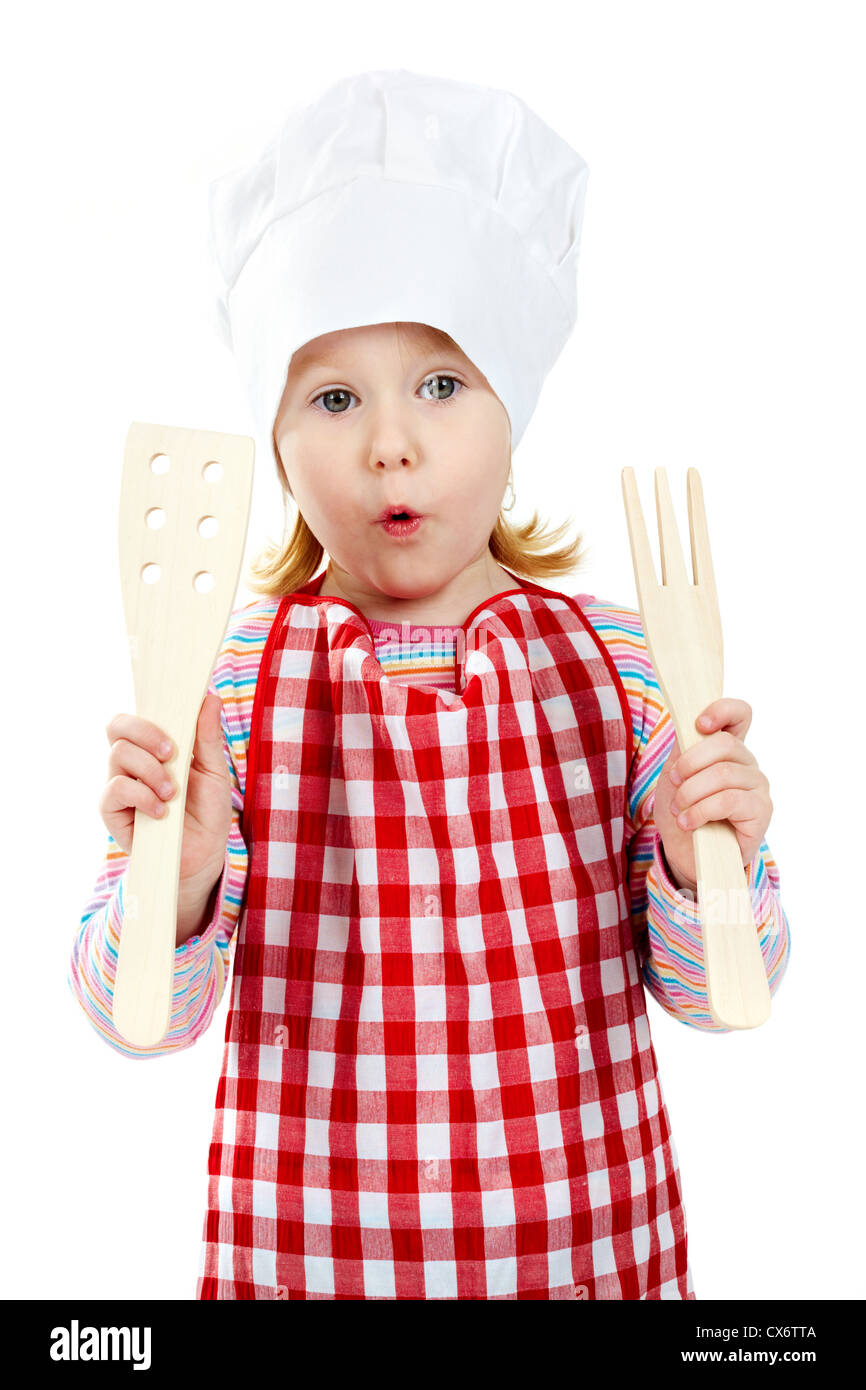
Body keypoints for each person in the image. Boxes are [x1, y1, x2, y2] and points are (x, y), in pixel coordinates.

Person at [68, 70, 791, 1300]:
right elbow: (137, 1018)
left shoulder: (625, 668)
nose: (389, 444)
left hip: (584, 1258)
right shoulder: (220, 687)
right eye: (333, 397)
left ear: (515, 408)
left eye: (441, 385)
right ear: (275, 441)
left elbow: (725, 993)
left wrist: (699, 856)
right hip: (309, 1262)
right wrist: (172, 878)